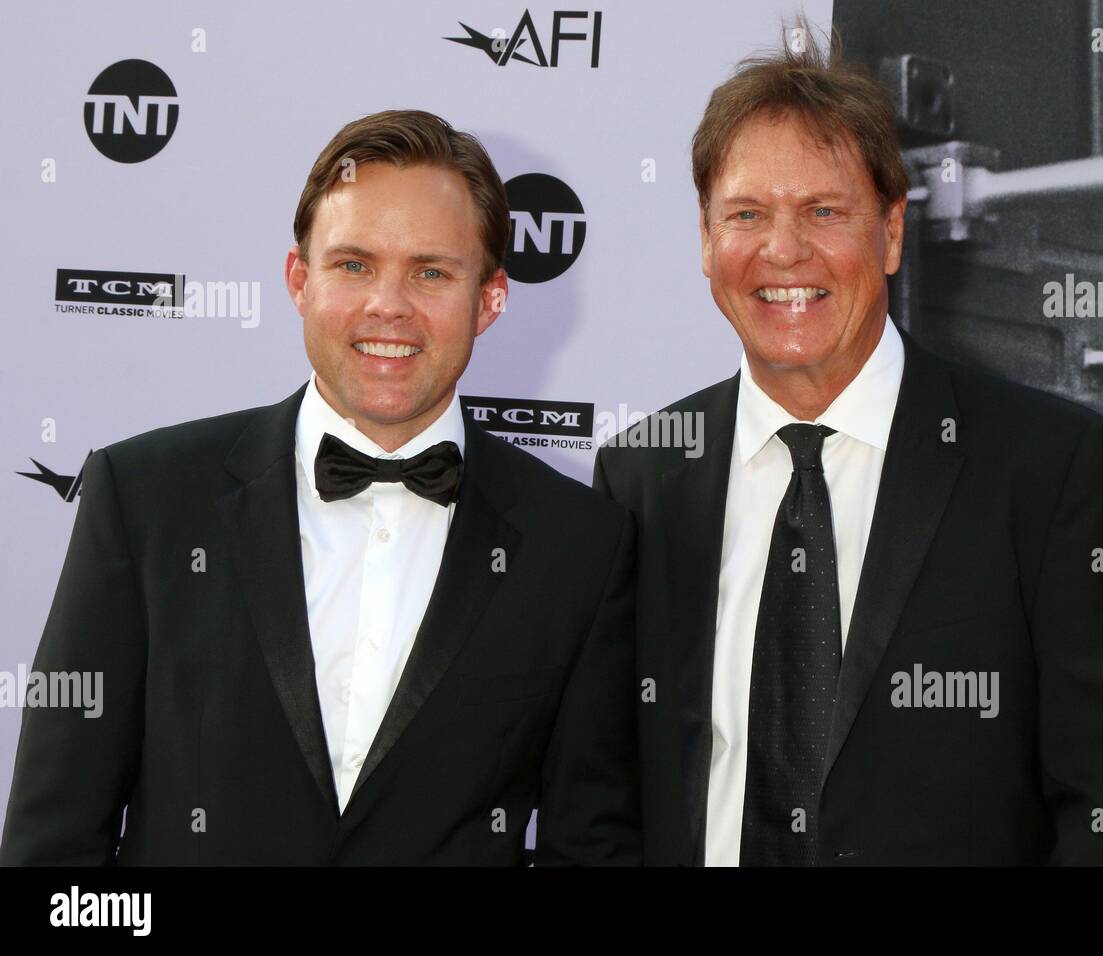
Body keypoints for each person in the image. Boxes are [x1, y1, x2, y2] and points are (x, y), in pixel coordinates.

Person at [593, 27, 1103, 866]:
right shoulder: (641, 474)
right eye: (747, 214)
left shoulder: (1045, 466)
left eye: (825, 212)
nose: (782, 251)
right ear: (705, 238)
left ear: (892, 233)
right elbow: (600, 799)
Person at [1, 109, 639, 865]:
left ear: (490, 299)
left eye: (431, 271)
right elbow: (53, 843)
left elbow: (591, 849)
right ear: (299, 281)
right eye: (354, 264)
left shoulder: (578, 545)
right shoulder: (144, 499)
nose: (388, 306)